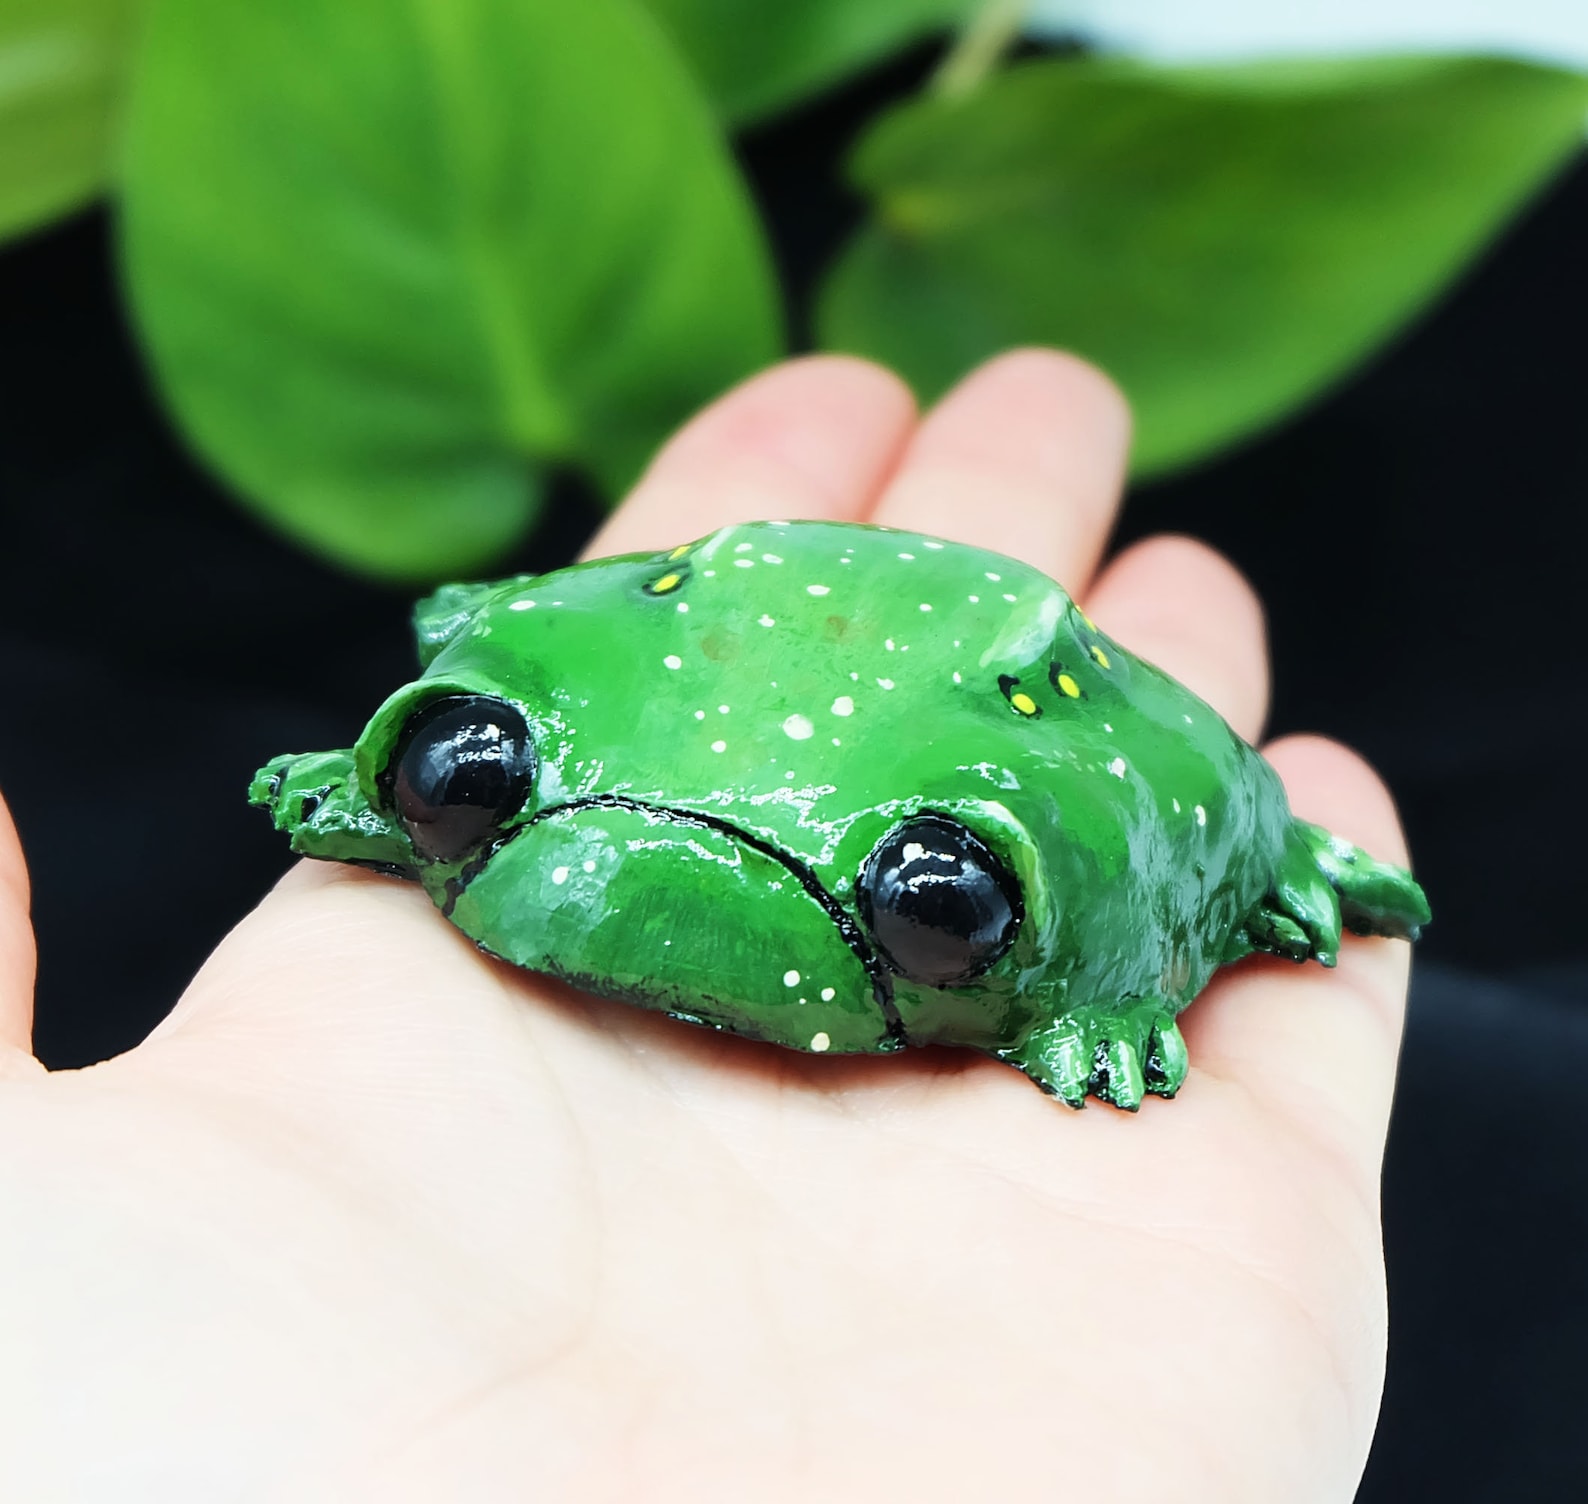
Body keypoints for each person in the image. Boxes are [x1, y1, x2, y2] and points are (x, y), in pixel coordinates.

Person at [0, 350, 1411, 1501]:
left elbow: (1160, 805)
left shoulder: (1068, 797)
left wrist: (1111, 980)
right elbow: (513, 647)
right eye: (462, 779)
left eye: (942, 905)